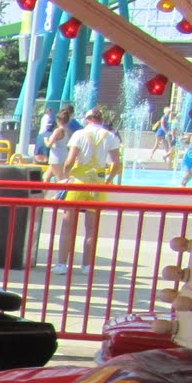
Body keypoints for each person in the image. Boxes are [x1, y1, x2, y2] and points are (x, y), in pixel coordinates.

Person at [55, 106, 123, 274]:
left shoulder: (79, 134)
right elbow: (116, 163)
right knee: (91, 228)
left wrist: (66, 175)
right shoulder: (110, 136)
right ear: (101, 119)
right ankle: (87, 266)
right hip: (97, 184)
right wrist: (109, 179)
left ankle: (62, 264)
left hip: (78, 182)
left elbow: (69, 161)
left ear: (87, 119)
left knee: (68, 225)